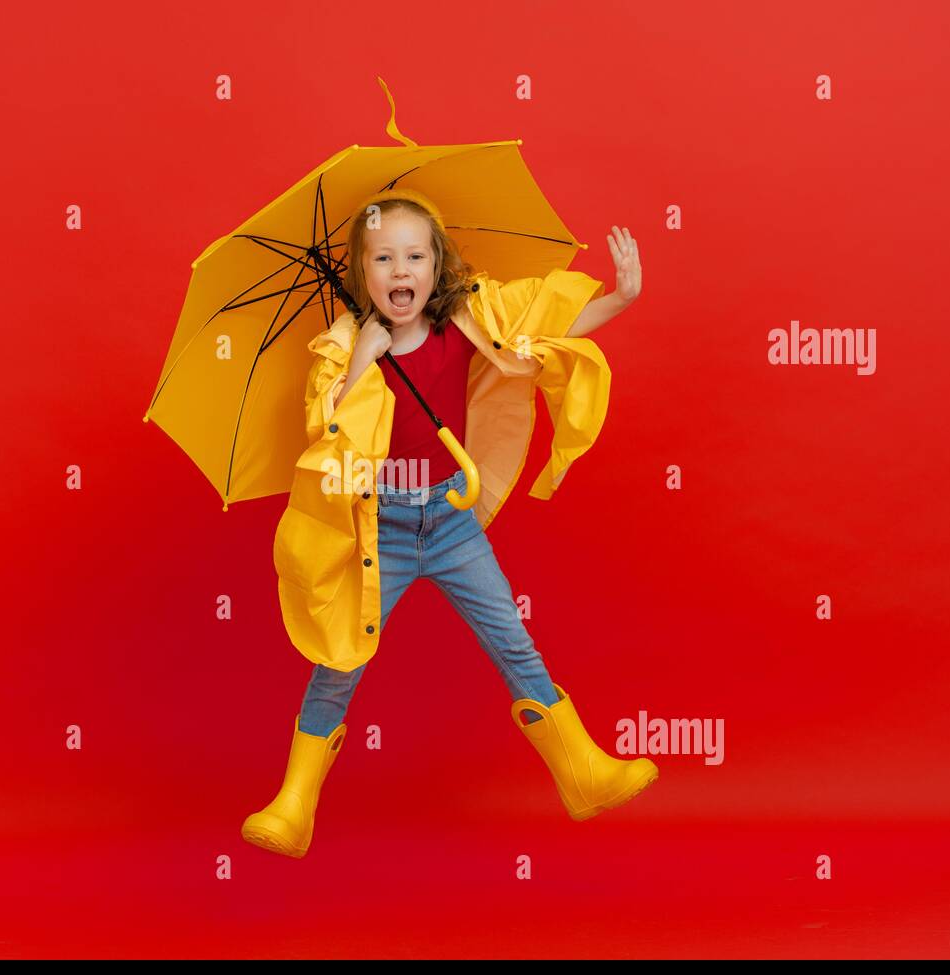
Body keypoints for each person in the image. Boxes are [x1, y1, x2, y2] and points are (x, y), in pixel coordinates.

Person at [242, 191, 657, 858]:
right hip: (377, 531)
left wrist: (619, 300)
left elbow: (539, 329)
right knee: (338, 658)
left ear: (437, 267)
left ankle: (583, 773)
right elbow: (327, 432)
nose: (399, 269)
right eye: (383, 257)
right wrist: (360, 363)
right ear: (361, 272)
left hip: (450, 519)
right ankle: (294, 805)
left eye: (414, 256)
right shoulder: (342, 348)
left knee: (513, 642)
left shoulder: (468, 320)